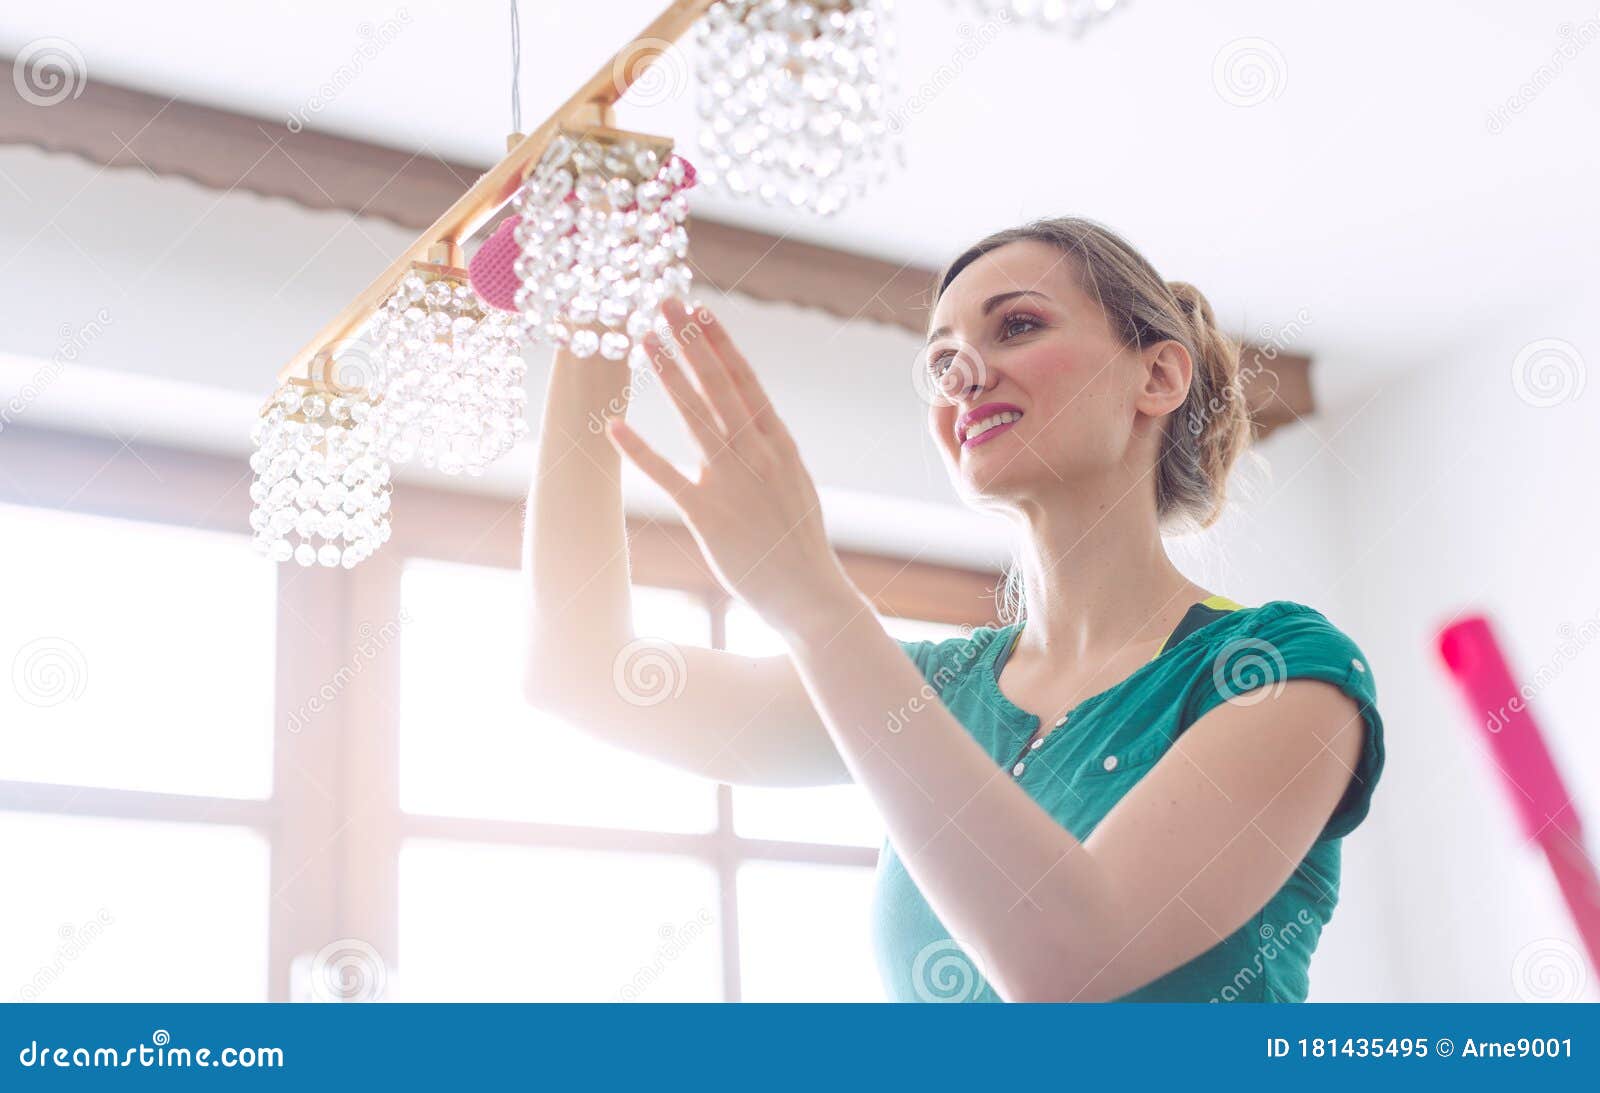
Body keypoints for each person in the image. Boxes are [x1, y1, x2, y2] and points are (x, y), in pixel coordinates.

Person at [522, 215, 1385, 1002]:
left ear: (1157, 374)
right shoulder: (930, 689)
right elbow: (584, 673)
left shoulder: (1279, 668)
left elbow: (1067, 961)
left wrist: (816, 604)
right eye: (941, 359)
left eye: (1017, 326)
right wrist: (593, 315)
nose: (964, 374)